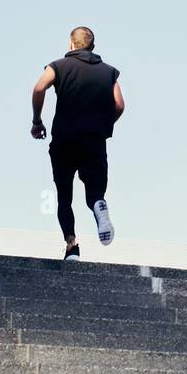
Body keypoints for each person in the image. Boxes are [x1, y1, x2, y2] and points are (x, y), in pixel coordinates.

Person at [31, 26, 124, 261]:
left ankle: (72, 245)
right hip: (94, 140)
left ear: (71, 44)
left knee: (64, 194)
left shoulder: (59, 66)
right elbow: (120, 104)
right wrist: (103, 124)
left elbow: (39, 87)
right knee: (94, 191)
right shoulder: (108, 72)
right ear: (93, 46)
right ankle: (99, 205)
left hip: (64, 139)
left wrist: (37, 121)